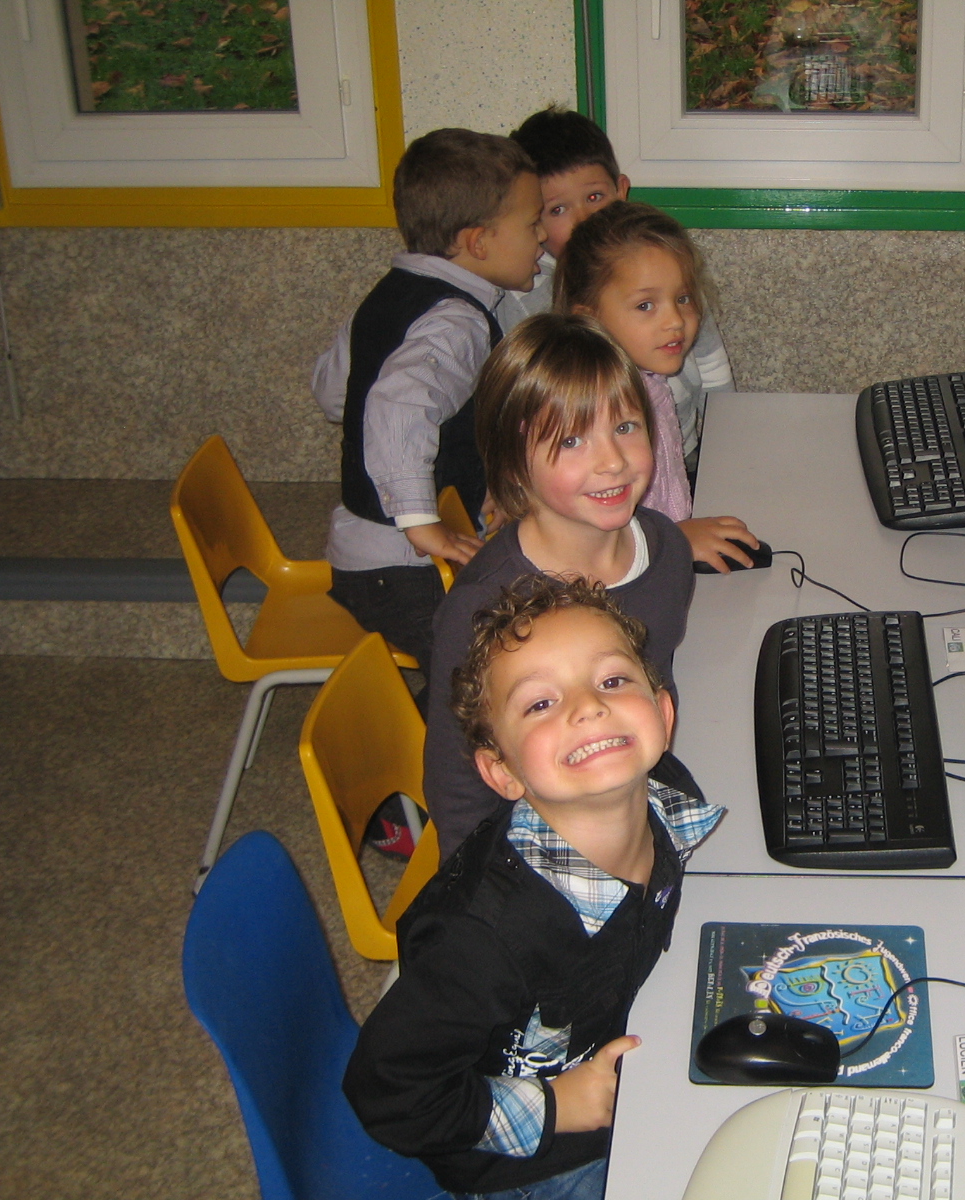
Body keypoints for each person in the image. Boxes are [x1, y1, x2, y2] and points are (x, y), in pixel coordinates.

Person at [345, 574, 723, 1198]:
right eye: (540, 704)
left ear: (662, 711)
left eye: (611, 680)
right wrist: (555, 1106)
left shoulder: (670, 798)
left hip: (615, 1039)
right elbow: (387, 1093)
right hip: (535, 1161)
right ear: (503, 771)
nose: (587, 706)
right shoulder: (483, 940)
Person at [423, 312, 696, 857]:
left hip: (626, 788)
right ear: (515, 465)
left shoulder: (664, 547)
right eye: (572, 440)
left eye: (625, 427)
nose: (613, 462)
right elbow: (457, 789)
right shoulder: (482, 609)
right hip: (543, 841)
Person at [312, 127, 545, 673]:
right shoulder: (457, 320)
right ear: (479, 241)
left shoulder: (391, 292)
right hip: (400, 573)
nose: (542, 238)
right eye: (532, 224)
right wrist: (421, 521)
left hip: (362, 554)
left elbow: (334, 393)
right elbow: (396, 407)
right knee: (483, 672)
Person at [503, 106, 734, 489]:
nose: (583, 219)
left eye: (595, 196)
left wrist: (726, 437)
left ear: (621, 190)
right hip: (609, 472)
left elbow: (710, 359)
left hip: (687, 449)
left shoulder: (658, 257)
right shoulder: (526, 297)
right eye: (558, 209)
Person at [556, 199, 762, 570]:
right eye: (646, 306)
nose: (675, 321)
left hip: (663, 564)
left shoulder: (649, 383)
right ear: (589, 318)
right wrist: (675, 538)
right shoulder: (586, 410)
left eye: (682, 298)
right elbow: (579, 536)